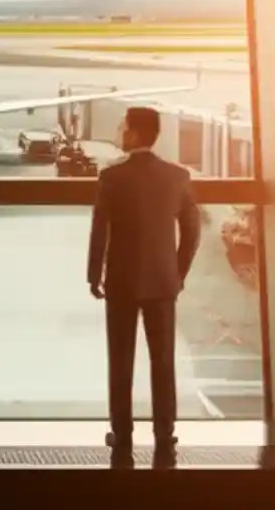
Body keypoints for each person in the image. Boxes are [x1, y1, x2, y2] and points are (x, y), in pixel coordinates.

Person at [86, 106, 201, 468]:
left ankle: (122, 434)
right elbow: (193, 232)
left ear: (134, 134)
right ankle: (164, 435)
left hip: (120, 281)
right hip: (162, 283)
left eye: (123, 127)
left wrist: (94, 274)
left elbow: (100, 230)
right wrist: (177, 273)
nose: (119, 131)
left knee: (120, 362)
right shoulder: (178, 176)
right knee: (162, 362)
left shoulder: (112, 178)